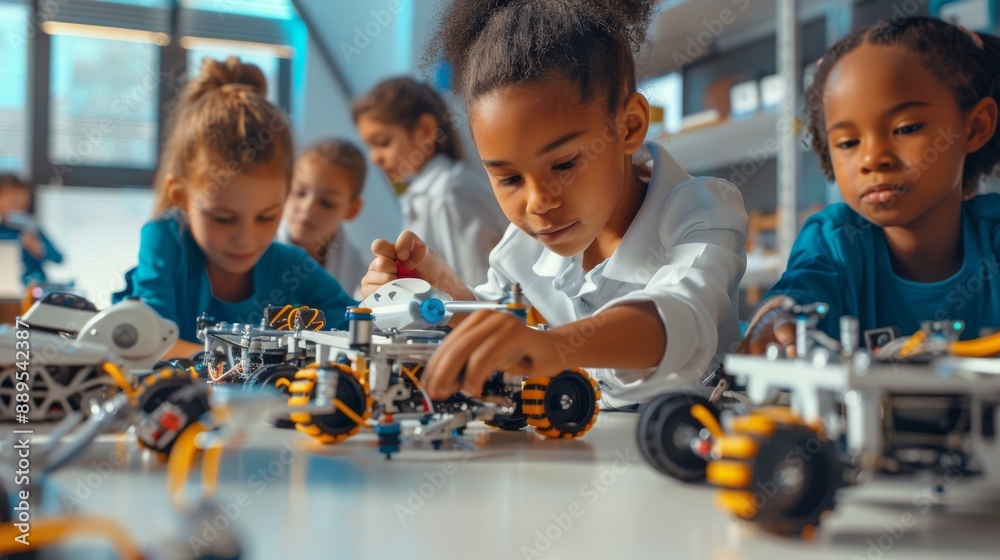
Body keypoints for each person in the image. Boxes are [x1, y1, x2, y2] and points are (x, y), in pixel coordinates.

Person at [361, 0, 748, 409]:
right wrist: (442, 295)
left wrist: (553, 346)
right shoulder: (523, 247)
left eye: (564, 163)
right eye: (509, 178)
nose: (538, 202)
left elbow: (682, 314)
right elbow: (501, 329)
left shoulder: (703, 210)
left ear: (629, 125)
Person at [740, 17, 1000, 354]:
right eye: (848, 143)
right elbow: (793, 297)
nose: (873, 159)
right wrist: (772, 320)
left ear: (976, 126)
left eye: (905, 128)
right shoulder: (835, 242)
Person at [114, 57, 356, 357]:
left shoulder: (291, 265)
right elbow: (152, 343)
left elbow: (359, 327)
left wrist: (386, 299)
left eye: (267, 217)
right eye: (224, 218)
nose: (246, 238)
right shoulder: (164, 241)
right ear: (180, 195)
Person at [353, 76, 508, 286]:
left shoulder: (450, 193)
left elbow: (476, 287)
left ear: (425, 130)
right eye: (369, 147)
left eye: (383, 142)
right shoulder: (425, 192)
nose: (374, 157)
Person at [279, 139, 367, 298]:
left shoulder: (358, 270)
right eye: (299, 192)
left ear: (352, 210)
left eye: (327, 203)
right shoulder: (256, 249)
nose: (308, 208)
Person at [0, 174, 63, 284]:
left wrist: (39, 248)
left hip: (34, 286)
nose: (19, 207)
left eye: (24, 202)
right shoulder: (5, 232)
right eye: (14, 201)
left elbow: (58, 258)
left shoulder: (32, 229)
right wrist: (19, 239)